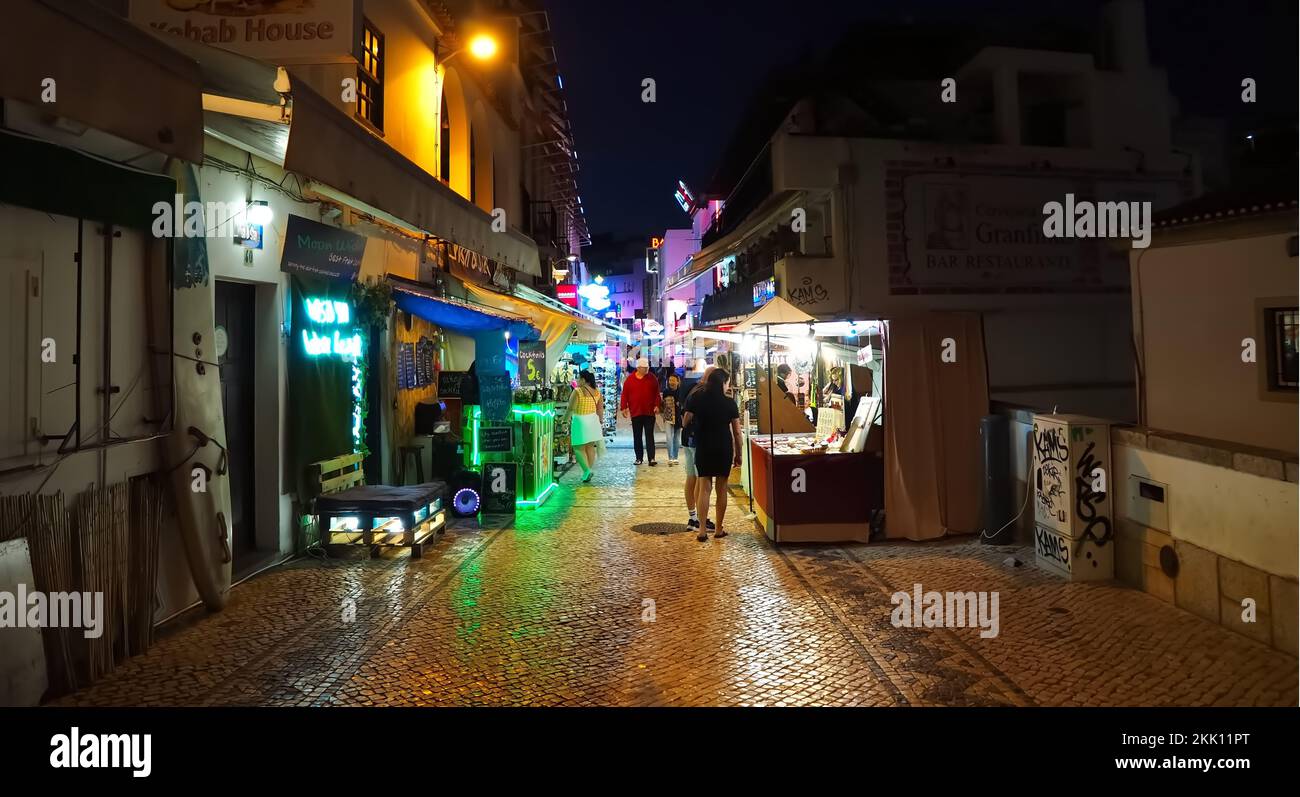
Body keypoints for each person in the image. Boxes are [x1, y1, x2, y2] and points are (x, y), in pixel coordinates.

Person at [683, 367, 741, 542]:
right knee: (721, 488)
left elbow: (685, 421)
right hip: (723, 447)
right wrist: (739, 454)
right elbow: (737, 433)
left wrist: (696, 422)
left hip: (704, 445)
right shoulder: (730, 403)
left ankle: (701, 530)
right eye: (727, 383)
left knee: (704, 487)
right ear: (723, 383)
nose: (728, 386)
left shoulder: (697, 398)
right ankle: (718, 528)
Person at [680, 367, 716, 533]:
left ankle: (693, 517)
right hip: (696, 439)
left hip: (687, 438)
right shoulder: (704, 393)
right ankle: (699, 521)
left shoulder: (693, 387)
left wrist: (684, 426)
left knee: (691, 477)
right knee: (702, 480)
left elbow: (685, 415)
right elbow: (689, 415)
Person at [620, 357, 661, 465]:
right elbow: (625, 394)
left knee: (649, 435)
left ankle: (651, 458)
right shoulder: (630, 379)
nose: (647, 369)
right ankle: (639, 458)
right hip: (636, 412)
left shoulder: (652, 378)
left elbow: (657, 393)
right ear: (638, 368)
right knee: (637, 436)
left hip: (649, 412)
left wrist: (657, 405)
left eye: (647, 367)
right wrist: (623, 407)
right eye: (644, 368)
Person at [568, 370, 604, 483]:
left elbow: (571, 408)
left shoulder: (578, 391)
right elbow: (600, 408)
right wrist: (600, 420)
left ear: (583, 380)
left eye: (578, 378)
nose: (577, 381)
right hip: (593, 420)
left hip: (580, 421)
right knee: (589, 447)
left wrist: (564, 419)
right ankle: (588, 470)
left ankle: (587, 470)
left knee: (578, 447)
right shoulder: (597, 392)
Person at [661, 372, 687, 465]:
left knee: (676, 438)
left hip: (678, 417)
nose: (671, 382)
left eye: (673, 380)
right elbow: (663, 404)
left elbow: (684, 405)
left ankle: (675, 457)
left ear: (678, 381)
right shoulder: (665, 391)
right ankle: (670, 457)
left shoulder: (681, 392)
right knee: (669, 437)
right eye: (670, 380)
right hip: (668, 417)